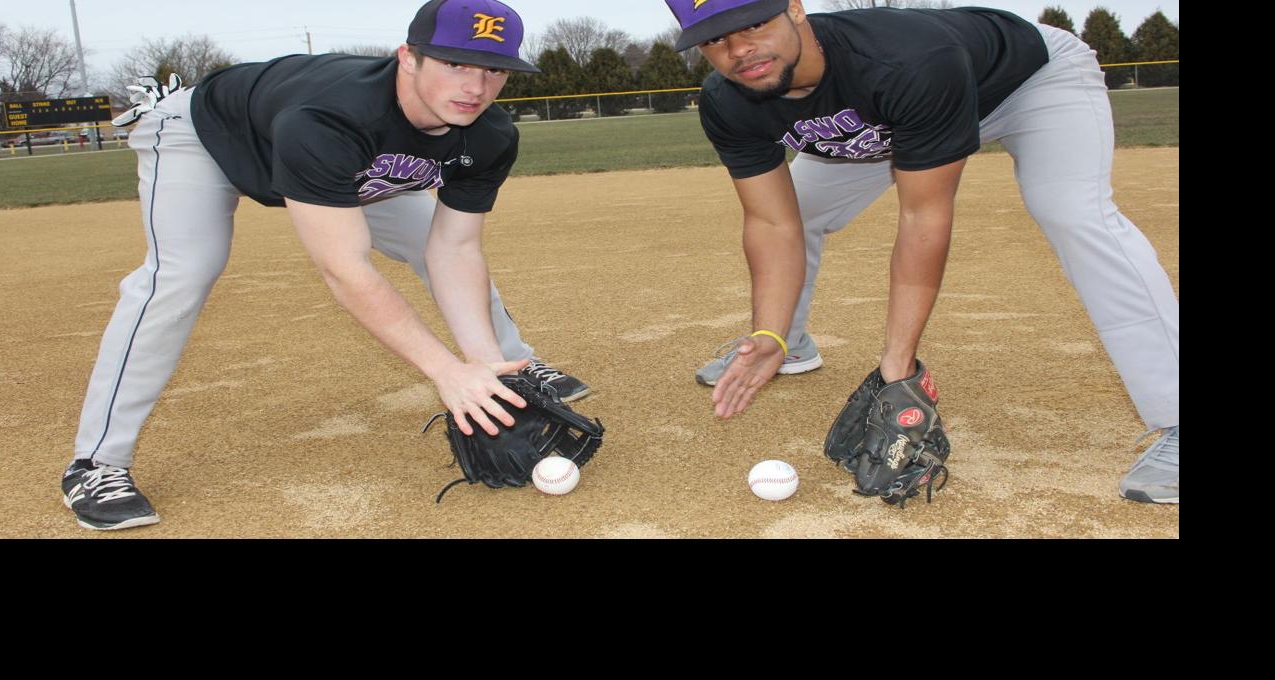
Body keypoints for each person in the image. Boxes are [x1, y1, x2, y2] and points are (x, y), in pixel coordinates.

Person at [62, 0, 590, 530]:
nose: (475, 87)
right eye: (455, 64)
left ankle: (510, 366)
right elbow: (345, 269)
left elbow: (455, 250)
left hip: (350, 166)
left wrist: (481, 368)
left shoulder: (489, 134)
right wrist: (446, 372)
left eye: (494, 70)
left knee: (429, 241)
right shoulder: (329, 117)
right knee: (183, 273)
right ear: (408, 58)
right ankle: (96, 463)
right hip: (208, 137)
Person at [664, 0, 1178, 503]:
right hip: (894, 116)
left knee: (1072, 212)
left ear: (795, 8)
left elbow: (922, 218)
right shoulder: (728, 98)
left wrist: (898, 367)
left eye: (754, 24)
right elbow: (773, 223)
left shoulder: (905, 60)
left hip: (1024, 84)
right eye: (714, 39)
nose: (739, 49)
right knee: (801, 210)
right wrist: (769, 331)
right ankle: (789, 345)